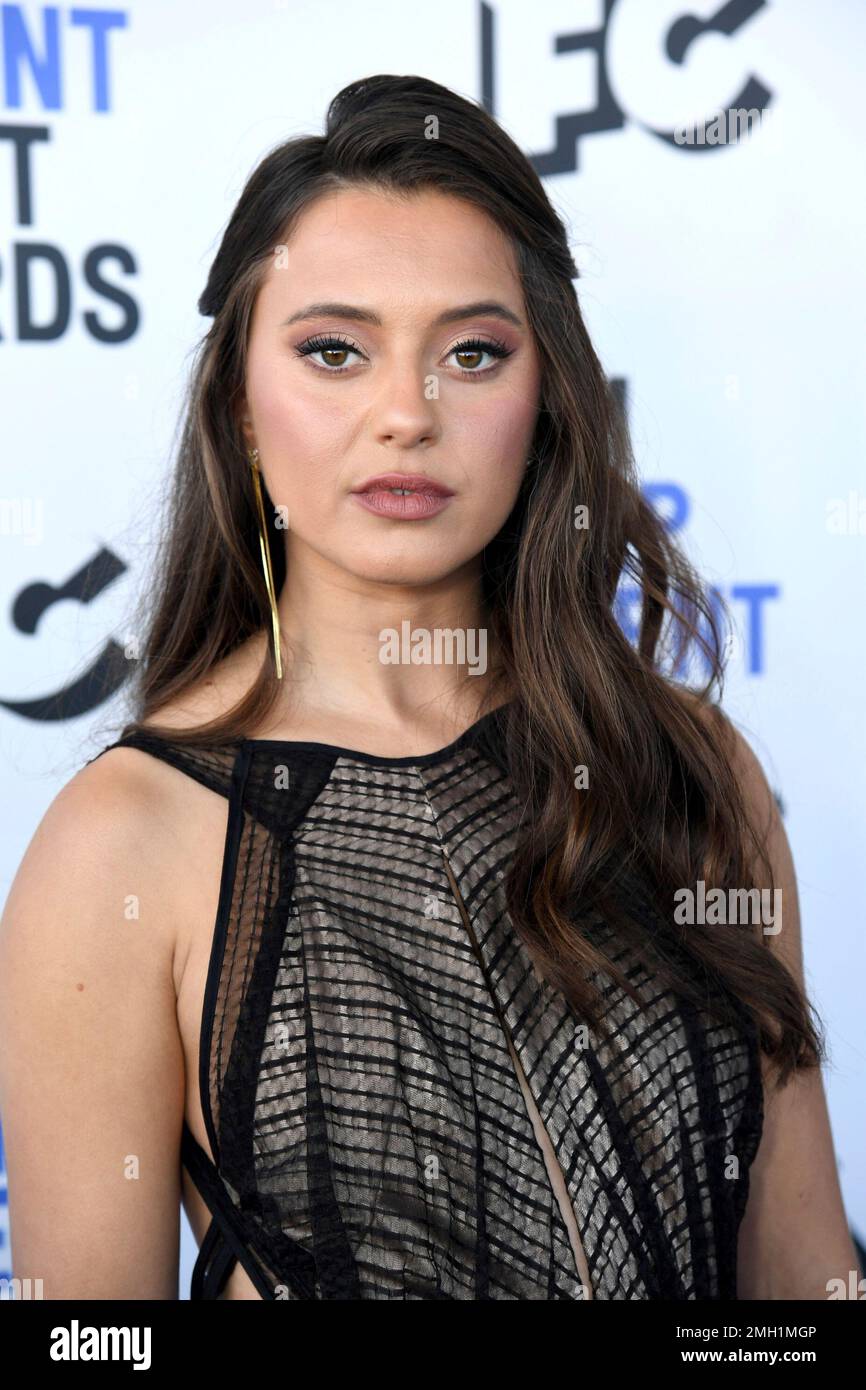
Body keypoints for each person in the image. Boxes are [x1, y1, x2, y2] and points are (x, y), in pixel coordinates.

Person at [0, 74, 859, 1301]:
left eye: (470, 352)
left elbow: (802, 1281)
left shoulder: (685, 770)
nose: (406, 413)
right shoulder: (122, 847)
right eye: (334, 351)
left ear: (543, 396)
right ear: (241, 409)